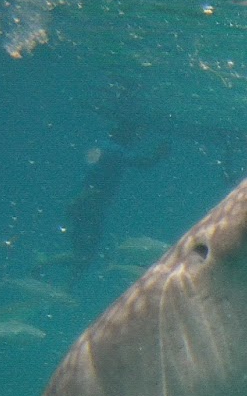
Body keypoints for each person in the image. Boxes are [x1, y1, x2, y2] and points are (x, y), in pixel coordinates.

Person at [62, 116, 170, 283]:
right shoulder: (117, 150)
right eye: (135, 135)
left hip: (82, 201)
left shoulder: (105, 146)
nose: (137, 139)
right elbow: (143, 162)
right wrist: (159, 153)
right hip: (93, 203)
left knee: (81, 249)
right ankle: (67, 283)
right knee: (88, 250)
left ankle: (55, 271)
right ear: (126, 134)